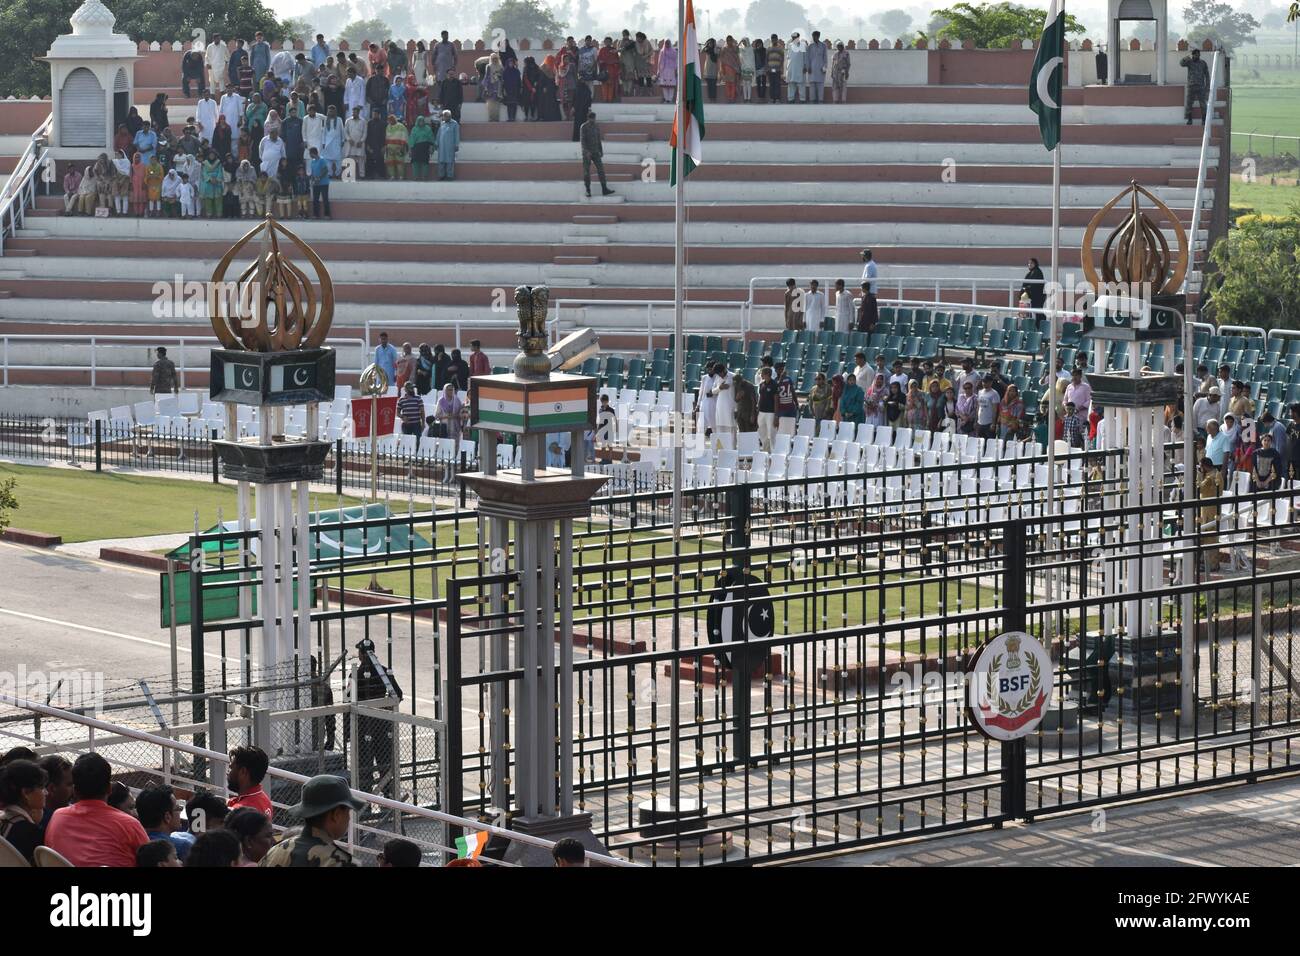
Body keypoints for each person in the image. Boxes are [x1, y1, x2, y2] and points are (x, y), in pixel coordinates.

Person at [44, 753, 149, 867]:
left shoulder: (57, 818)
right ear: (109, 789)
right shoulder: (129, 824)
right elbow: (153, 861)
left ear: (75, 791)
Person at [260, 774, 360, 867]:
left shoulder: (273, 853)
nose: (349, 818)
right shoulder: (342, 862)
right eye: (348, 812)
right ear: (336, 815)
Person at [136, 784, 197, 862]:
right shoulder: (183, 846)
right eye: (178, 808)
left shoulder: (137, 843)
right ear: (167, 817)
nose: (180, 812)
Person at [0, 759, 46, 863]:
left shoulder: (5, 822)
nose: (45, 793)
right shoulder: (31, 833)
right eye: (42, 788)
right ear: (26, 793)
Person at [225, 745, 273, 817]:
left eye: (231, 768)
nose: (227, 772)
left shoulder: (238, 813)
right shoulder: (264, 799)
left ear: (243, 772)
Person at [579, 110, 615, 198]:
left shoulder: (596, 127)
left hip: (595, 151)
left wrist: (601, 150)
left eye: (594, 119)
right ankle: (588, 190)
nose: (593, 120)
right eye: (591, 119)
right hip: (587, 153)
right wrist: (586, 151)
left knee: (601, 170)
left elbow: (598, 140)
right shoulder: (584, 127)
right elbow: (582, 140)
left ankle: (604, 189)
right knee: (586, 172)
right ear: (588, 118)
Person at [39, 754, 73, 829]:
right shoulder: (49, 823)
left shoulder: (36, 817)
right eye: (69, 784)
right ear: (52, 788)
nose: (74, 788)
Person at [1179, 48, 1210, 125]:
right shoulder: (1189, 62)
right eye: (1195, 55)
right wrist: (1186, 58)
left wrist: (1207, 86)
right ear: (1193, 55)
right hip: (1191, 86)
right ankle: (1189, 120)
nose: (1197, 56)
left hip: (1201, 87)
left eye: (1198, 55)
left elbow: (1207, 75)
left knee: (1203, 104)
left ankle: (1204, 120)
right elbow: (1181, 64)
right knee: (1189, 103)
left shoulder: (1203, 63)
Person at [436, 109, 461, 181]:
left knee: (450, 161)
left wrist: (456, 145)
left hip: (450, 146)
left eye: (447, 116)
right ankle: (441, 176)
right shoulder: (442, 123)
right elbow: (439, 134)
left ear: (450, 116)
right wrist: (436, 143)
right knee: (441, 161)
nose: (445, 117)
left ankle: (449, 176)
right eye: (444, 116)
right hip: (442, 146)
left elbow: (457, 135)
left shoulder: (455, 124)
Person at [774, 361, 798, 435]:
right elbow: (776, 390)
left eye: (783, 369)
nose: (782, 371)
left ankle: (793, 440)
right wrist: (781, 378)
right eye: (780, 369)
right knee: (782, 427)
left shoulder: (788, 379)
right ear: (776, 370)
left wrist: (796, 403)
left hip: (790, 406)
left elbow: (792, 391)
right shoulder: (775, 381)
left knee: (792, 425)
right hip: (781, 408)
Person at [757, 366, 777, 451]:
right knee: (761, 432)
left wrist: (776, 415)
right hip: (761, 412)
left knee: (772, 433)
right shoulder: (761, 384)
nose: (761, 375)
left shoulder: (774, 384)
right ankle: (766, 450)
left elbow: (776, 400)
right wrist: (757, 410)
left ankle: (774, 452)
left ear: (767, 374)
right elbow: (760, 398)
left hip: (771, 413)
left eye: (762, 373)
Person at [308, 146, 331, 218]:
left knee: (325, 199)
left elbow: (325, 170)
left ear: (313, 153)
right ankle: (316, 214)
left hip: (323, 183)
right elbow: (313, 172)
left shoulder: (322, 160)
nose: (310, 155)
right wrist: (312, 179)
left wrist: (319, 178)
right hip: (316, 183)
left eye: (310, 154)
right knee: (315, 199)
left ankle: (327, 214)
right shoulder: (312, 161)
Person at [859, 249, 879, 328]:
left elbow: (866, 280)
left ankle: (868, 326)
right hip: (868, 292)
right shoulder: (871, 264)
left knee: (867, 312)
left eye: (863, 256)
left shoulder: (869, 266)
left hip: (869, 292)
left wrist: (863, 290)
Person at [806, 31, 827, 103]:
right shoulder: (810, 46)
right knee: (812, 85)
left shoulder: (823, 46)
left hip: (820, 69)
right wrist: (808, 67)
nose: (814, 37)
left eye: (816, 36)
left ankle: (820, 100)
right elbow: (807, 58)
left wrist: (824, 67)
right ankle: (812, 100)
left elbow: (825, 58)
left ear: (818, 36)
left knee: (820, 85)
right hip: (812, 68)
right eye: (813, 36)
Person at [765, 35, 783, 102]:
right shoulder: (769, 49)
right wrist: (767, 69)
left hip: (777, 69)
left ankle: (777, 98)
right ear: (771, 40)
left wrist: (781, 68)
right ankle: (772, 98)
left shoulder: (780, 49)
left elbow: (782, 59)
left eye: (775, 39)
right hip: (770, 69)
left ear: (777, 39)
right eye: (773, 39)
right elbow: (766, 60)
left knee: (777, 84)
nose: (774, 40)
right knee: (772, 84)